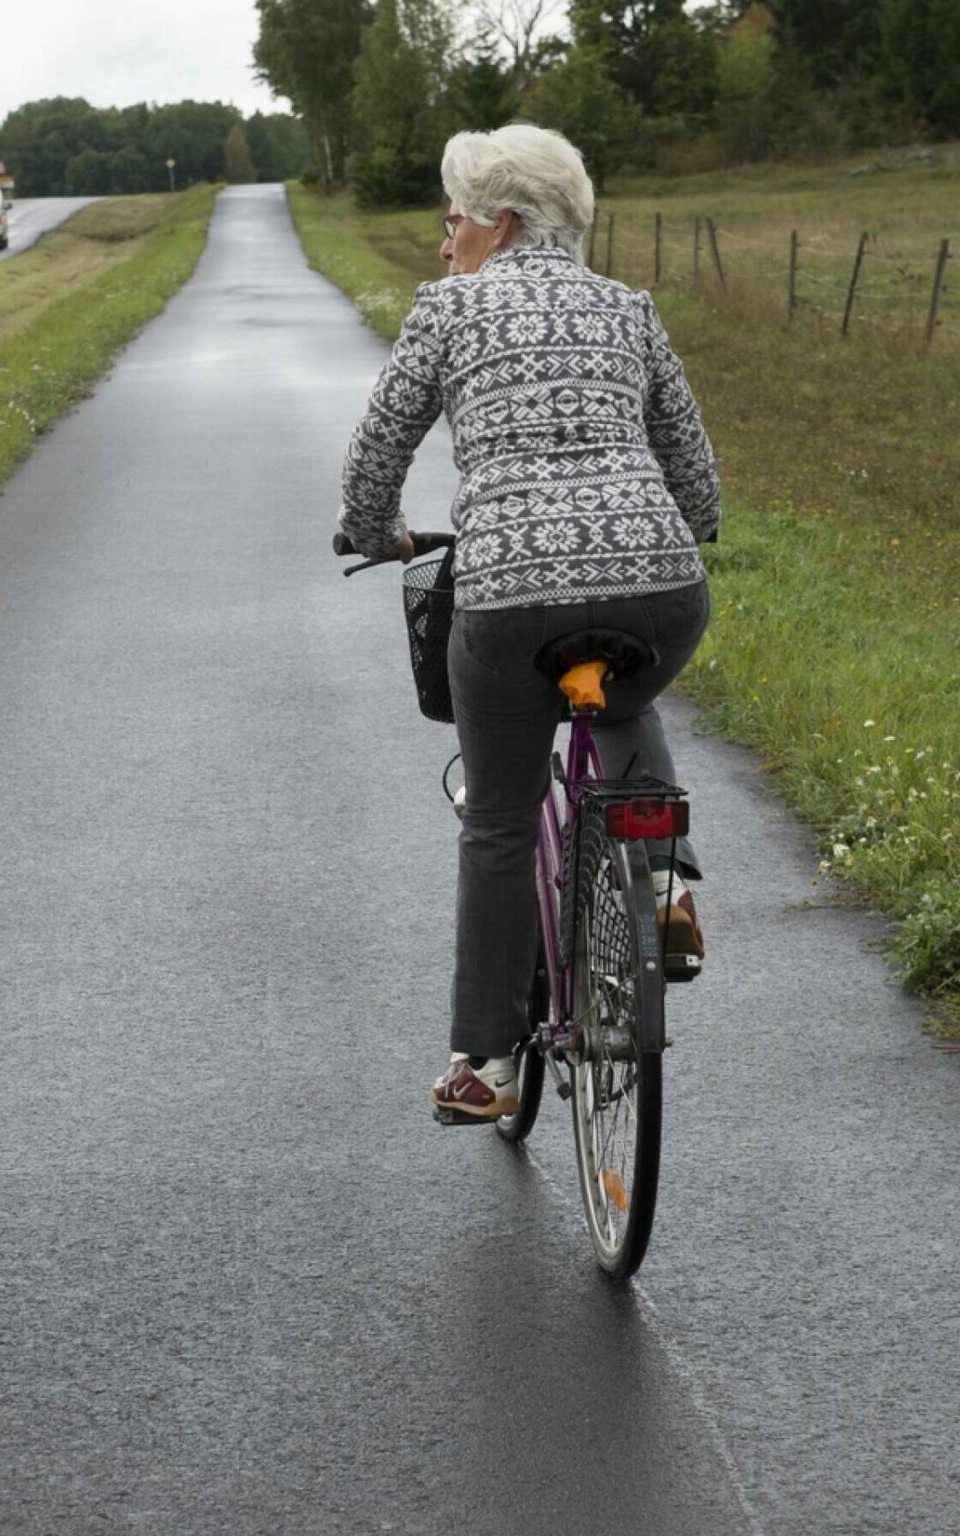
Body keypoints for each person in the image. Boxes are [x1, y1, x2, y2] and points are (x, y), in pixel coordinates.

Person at [337, 124, 722, 1123]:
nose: (442, 240)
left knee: (502, 818)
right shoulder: (628, 309)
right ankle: (667, 879)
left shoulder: (450, 309)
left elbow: (376, 451)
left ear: (496, 223)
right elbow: (696, 475)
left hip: (508, 596)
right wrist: (682, 530)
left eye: (452, 218)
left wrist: (371, 531)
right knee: (622, 686)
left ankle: (487, 1065)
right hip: (658, 585)